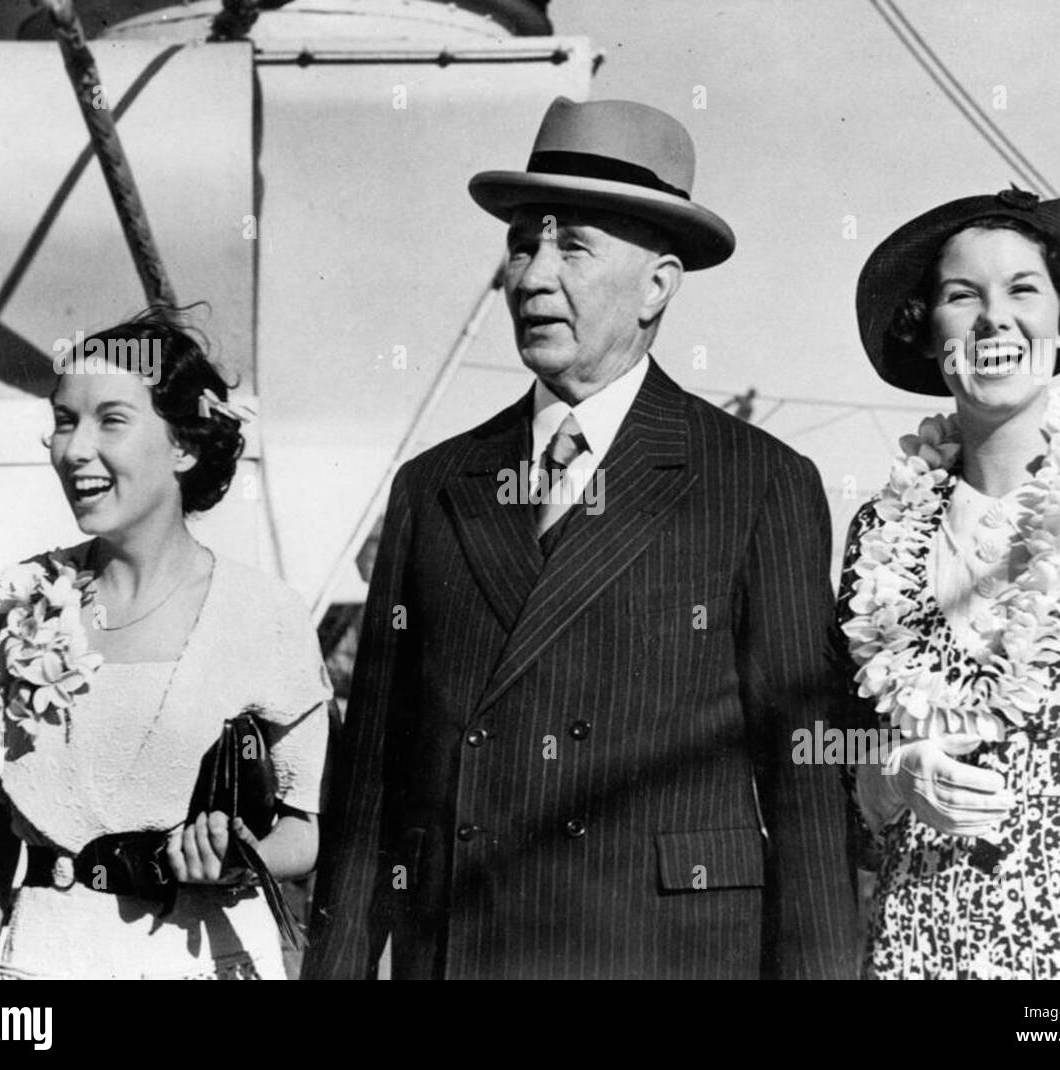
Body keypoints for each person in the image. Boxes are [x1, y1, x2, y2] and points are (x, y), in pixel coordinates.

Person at [303, 97, 856, 980]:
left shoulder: (759, 484)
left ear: (658, 284)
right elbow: (370, 788)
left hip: (666, 958)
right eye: (523, 243)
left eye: (574, 247)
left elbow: (805, 784)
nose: (531, 277)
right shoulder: (434, 486)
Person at [838, 187, 1060, 979]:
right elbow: (843, 799)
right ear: (930, 333)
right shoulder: (879, 530)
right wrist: (891, 777)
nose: (992, 319)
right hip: (918, 947)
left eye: (1022, 290)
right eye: (961, 296)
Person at [0, 309, 332, 980]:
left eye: (111, 420)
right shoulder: (15, 600)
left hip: (207, 963)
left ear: (184, 446)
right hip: (40, 966)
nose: (75, 449)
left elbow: (308, 828)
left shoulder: (266, 615)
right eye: (65, 420)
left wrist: (240, 856)